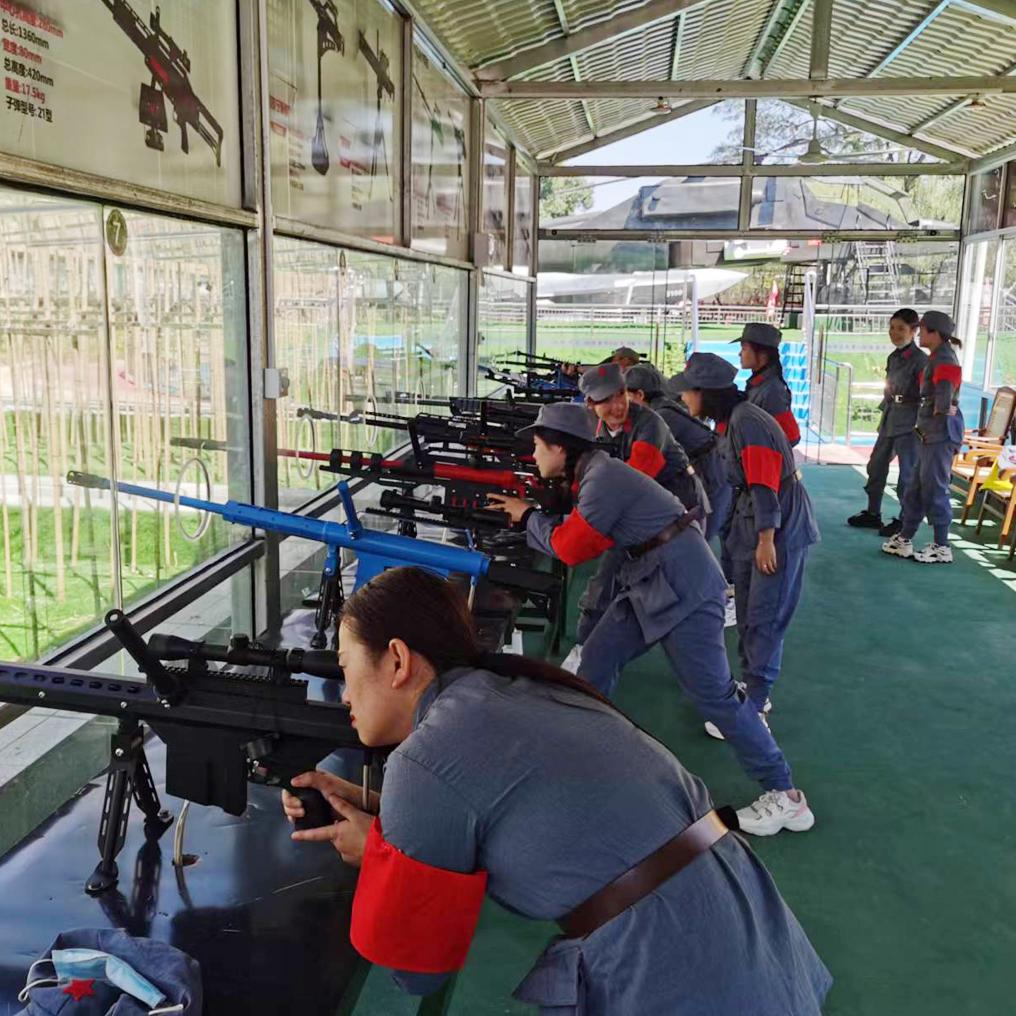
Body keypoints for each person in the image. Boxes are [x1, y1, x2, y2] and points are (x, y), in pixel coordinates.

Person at [282, 567, 831, 1014]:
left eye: (346, 667)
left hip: (674, 961)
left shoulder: (427, 756)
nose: (344, 693)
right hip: (740, 920)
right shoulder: (511, 692)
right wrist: (385, 814)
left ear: (398, 661)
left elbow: (417, 972)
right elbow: (500, 808)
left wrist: (380, 857)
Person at [489, 403, 815, 836]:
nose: (533, 455)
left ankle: (786, 796)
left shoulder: (602, 479)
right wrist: (538, 511)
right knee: (596, 663)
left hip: (685, 586)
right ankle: (582, 758)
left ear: (560, 448)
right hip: (649, 581)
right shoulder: (595, 473)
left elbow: (571, 548)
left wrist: (528, 516)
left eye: (537, 446)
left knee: (715, 696)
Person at [671, 353, 819, 730]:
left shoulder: (747, 422)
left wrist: (767, 538)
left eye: (688, 392)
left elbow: (764, 482)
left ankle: (755, 706)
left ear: (706, 392)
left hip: (776, 523)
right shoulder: (731, 420)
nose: (684, 400)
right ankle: (752, 687)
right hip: (754, 518)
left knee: (766, 615)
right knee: (750, 610)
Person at [574, 362, 709, 648]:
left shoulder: (650, 423)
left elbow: (634, 480)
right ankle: (588, 649)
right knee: (613, 579)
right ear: (590, 404)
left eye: (620, 394)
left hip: (680, 508)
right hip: (641, 510)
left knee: (681, 589)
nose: (617, 406)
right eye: (606, 400)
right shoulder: (592, 428)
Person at [882, 310, 965, 564]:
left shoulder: (945, 358)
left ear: (935, 333)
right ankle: (905, 538)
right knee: (916, 488)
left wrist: (940, 415)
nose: (919, 333)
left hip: (939, 434)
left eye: (923, 329)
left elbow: (944, 400)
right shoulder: (936, 357)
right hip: (929, 432)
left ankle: (942, 545)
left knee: (934, 488)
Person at [625, 363, 730, 542]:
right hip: (707, 469)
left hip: (710, 473)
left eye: (624, 395)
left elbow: (643, 464)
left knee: (700, 540)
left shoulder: (659, 418)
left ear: (639, 395)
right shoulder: (661, 409)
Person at [847, 309, 927, 537]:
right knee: (876, 466)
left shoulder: (920, 361)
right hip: (891, 417)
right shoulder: (893, 357)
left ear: (914, 331)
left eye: (901, 328)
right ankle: (873, 513)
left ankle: (905, 520)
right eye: (892, 328)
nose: (894, 333)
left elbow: (925, 394)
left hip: (910, 422)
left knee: (907, 474)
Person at [735, 322, 802, 447]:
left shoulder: (773, 391)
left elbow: (791, 437)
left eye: (744, 349)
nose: (739, 354)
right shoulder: (758, 384)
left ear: (762, 354)